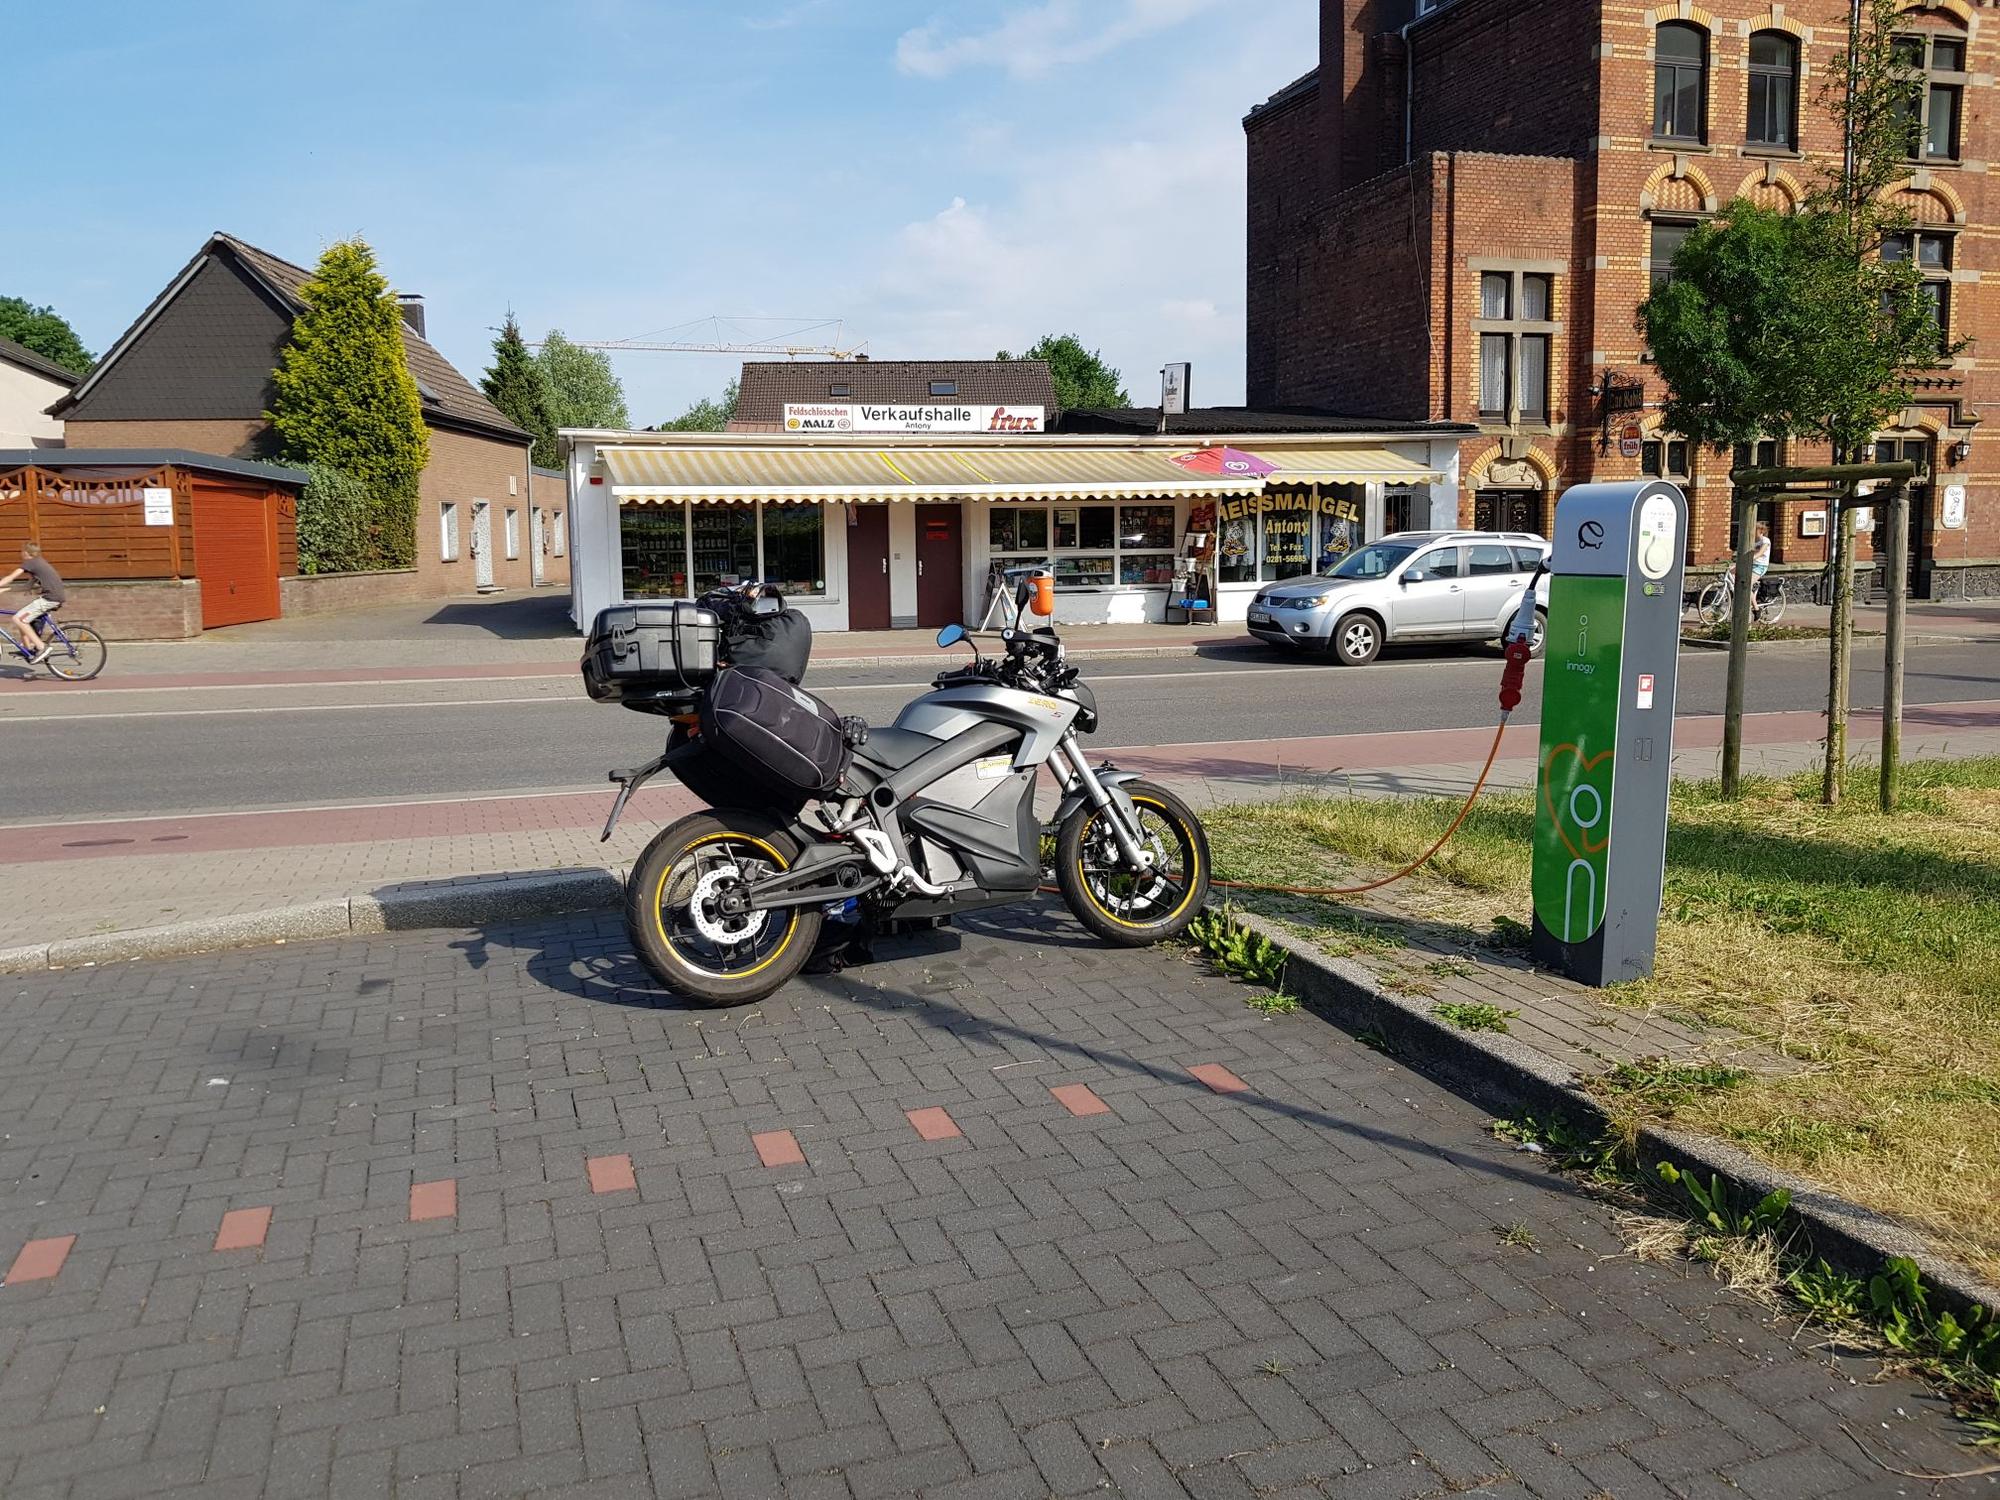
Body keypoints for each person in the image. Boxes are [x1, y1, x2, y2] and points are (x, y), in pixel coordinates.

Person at [0, 542, 66, 664]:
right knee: (22, 618)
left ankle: (42, 647)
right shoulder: (38, 563)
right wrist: (4, 590)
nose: (21, 553)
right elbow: (26, 587)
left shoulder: (31, 563)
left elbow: (11, 577)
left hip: (50, 598)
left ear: (26, 552)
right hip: (54, 597)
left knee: (18, 619)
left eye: (21, 551)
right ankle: (28, 649)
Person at [1751, 523, 1772, 607]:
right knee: (1731, 571)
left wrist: (1750, 558)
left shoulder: (1765, 540)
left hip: (1760, 566)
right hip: (1751, 565)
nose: (1752, 531)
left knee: (1746, 585)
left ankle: (1756, 608)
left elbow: (1760, 553)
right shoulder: (1753, 541)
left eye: (1755, 530)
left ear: (1761, 531)